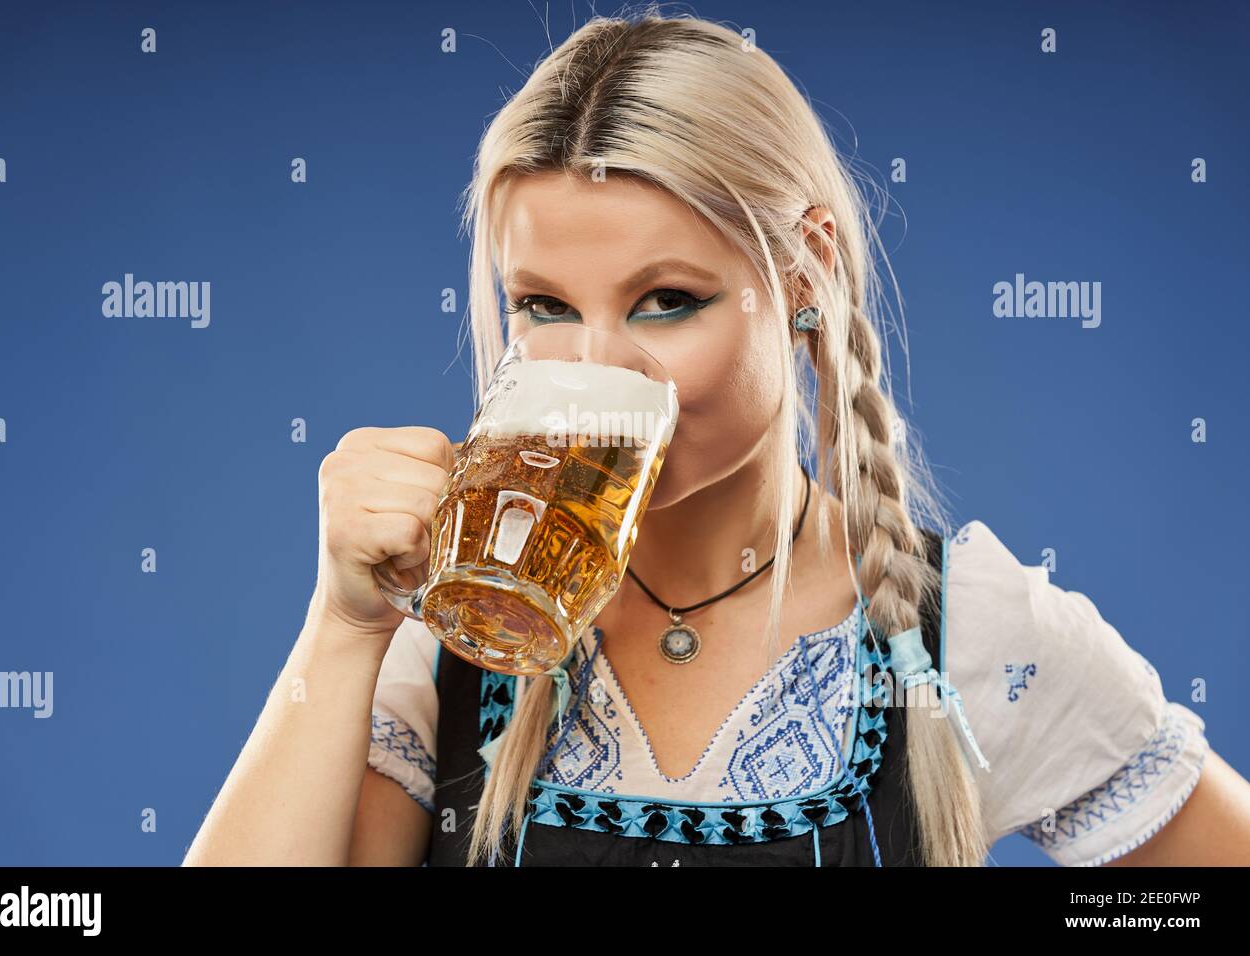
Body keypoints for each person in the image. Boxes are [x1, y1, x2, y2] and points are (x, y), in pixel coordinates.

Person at [183, 9, 1250, 867]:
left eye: (665, 301)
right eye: (545, 307)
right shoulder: (456, 635)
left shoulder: (964, 634)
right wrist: (340, 627)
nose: (599, 367)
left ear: (803, 273)